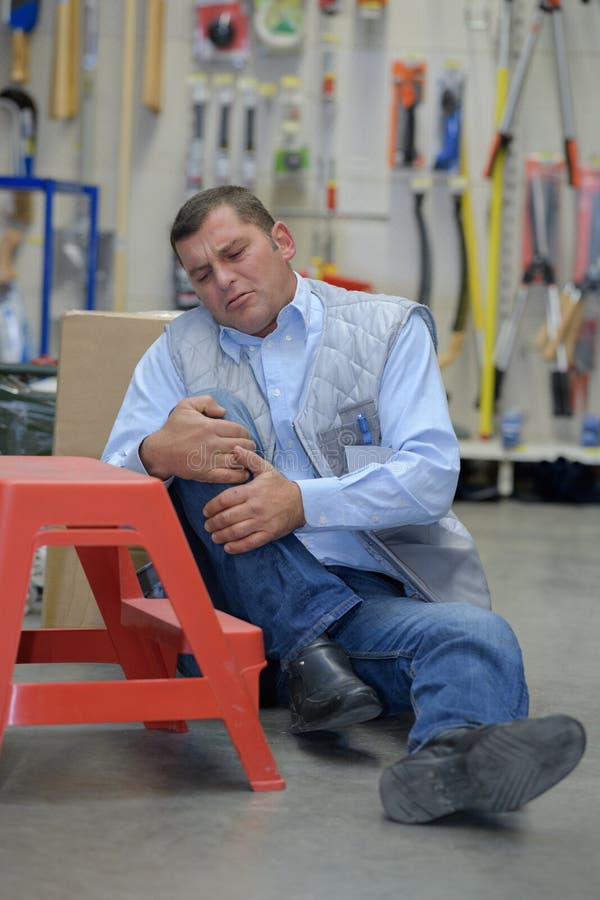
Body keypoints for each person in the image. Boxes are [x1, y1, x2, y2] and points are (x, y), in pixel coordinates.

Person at [102, 184, 585, 824]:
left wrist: (302, 503)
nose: (223, 281)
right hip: (226, 624)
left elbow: (432, 475)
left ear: (281, 241)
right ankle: (309, 648)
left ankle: (449, 760)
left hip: (358, 622)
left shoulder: (387, 328)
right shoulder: (177, 351)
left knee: (477, 633)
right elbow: (110, 486)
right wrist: (157, 453)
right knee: (210, 428)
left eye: (235, 253)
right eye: (201, 274)